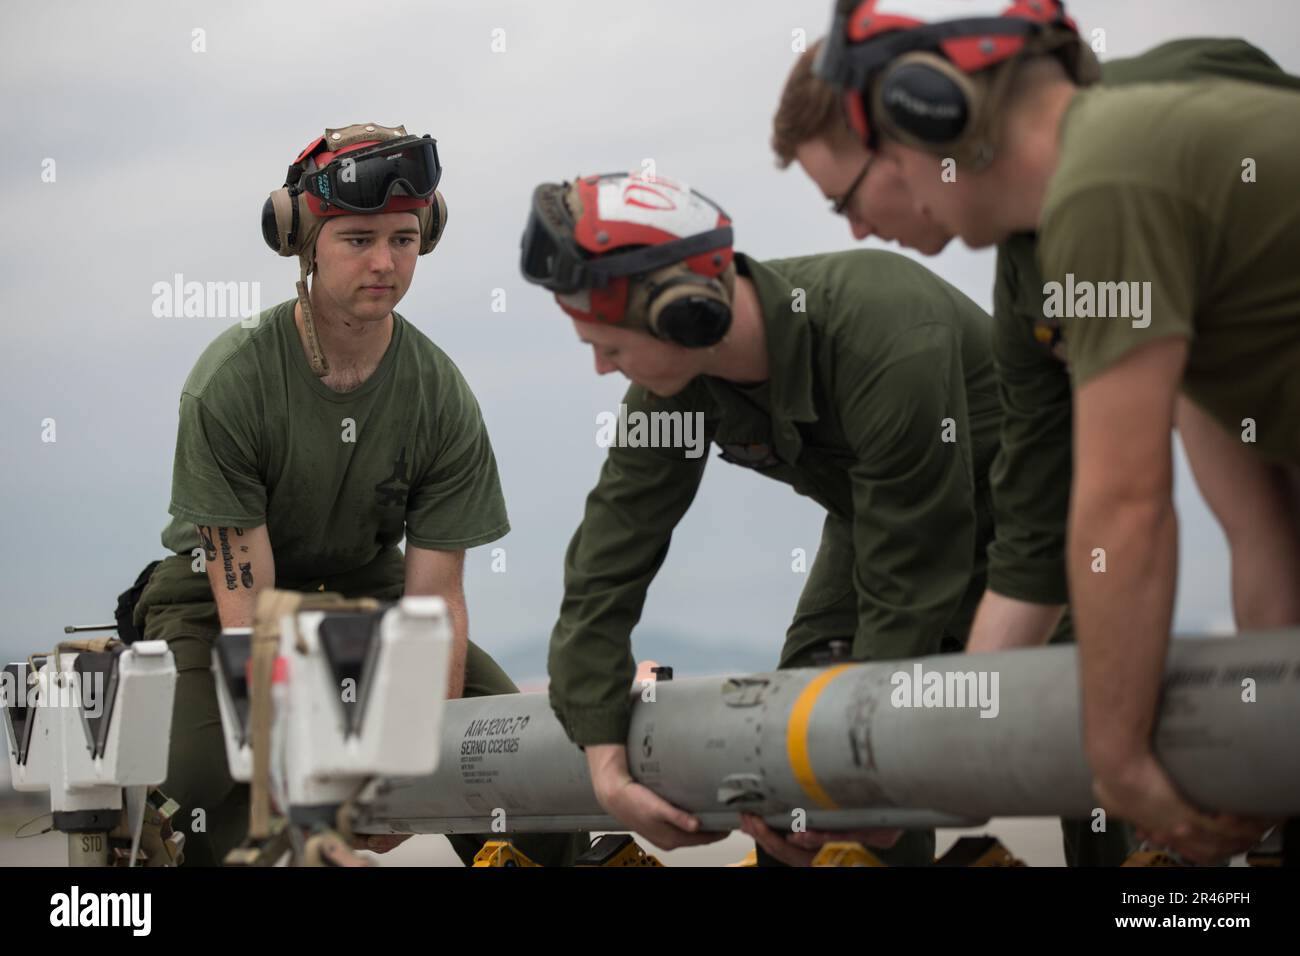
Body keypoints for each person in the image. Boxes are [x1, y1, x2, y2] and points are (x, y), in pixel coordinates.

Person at [773, 28, 1300, 865]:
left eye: (849, 196)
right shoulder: (1037, 267)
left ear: (928, 122)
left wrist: (1120, 761)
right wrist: (918, 779)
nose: (861, 230)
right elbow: (1038, 539)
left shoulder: (1109, 181)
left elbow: (1127, 506)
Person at [132, 122, 587, 867]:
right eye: (357, 239)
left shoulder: (438, 394)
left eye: (404, 239)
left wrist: (423, 777)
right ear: (303, 244)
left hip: (365, 595)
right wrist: (315, 788)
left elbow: (435, 602)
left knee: (508, 757)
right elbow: (248, 611)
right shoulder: (232, 382)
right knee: (203, 791)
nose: (385, 262)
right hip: (219, 606)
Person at [520, 170, 1001, 865]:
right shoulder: (675, 389)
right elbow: (606, 564)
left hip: (1043, 530)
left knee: (1103, 764)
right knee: (791, 769)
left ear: (686, 314)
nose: (601, 369)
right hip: (880, 527)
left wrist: (871, 783)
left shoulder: (884, 334)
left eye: (612, 348)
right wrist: (605, 767)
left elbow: (912, 575)